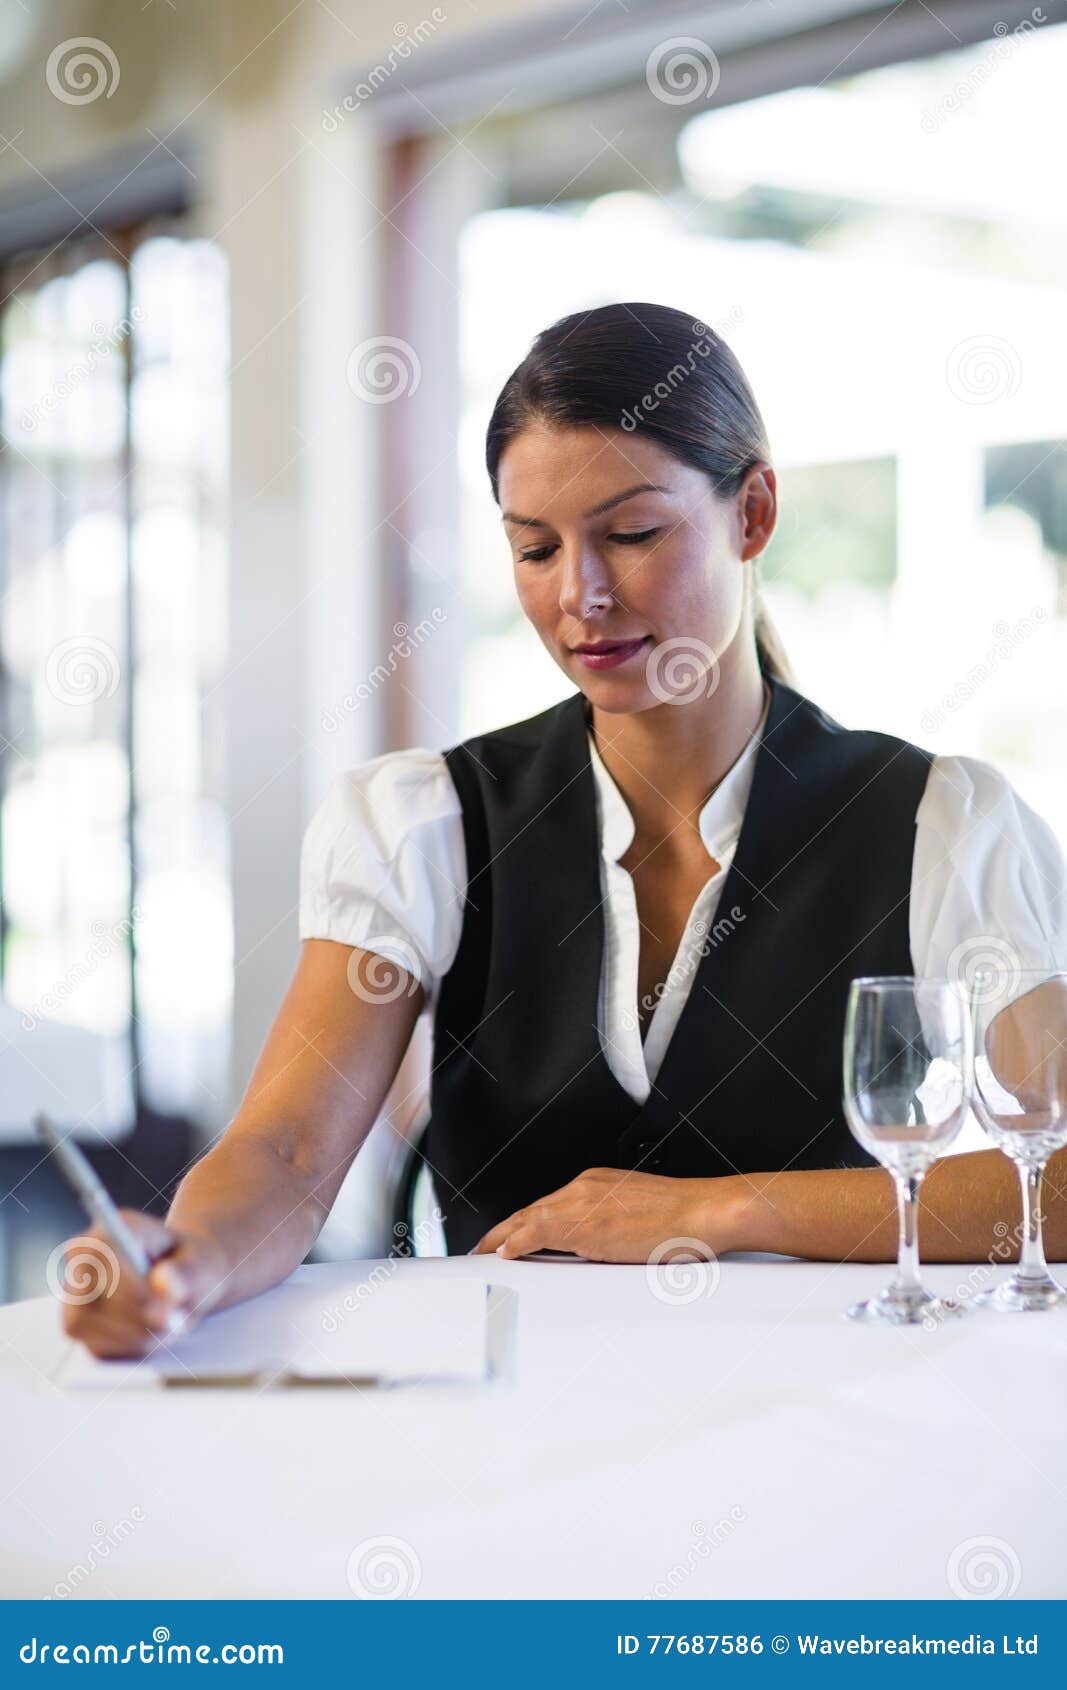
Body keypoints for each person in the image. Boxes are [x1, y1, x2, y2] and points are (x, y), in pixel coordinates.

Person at [62, 302, 1067, 1357]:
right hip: (504, 1415)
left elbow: (1052, 1183)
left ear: (752, 512)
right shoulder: (426, 820)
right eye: (534, 548)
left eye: (630, 535)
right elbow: (289, 1153)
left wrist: (717, 1211)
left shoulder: (939, 823)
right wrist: (186, 1263)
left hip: (826, 1406)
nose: (579, 595)